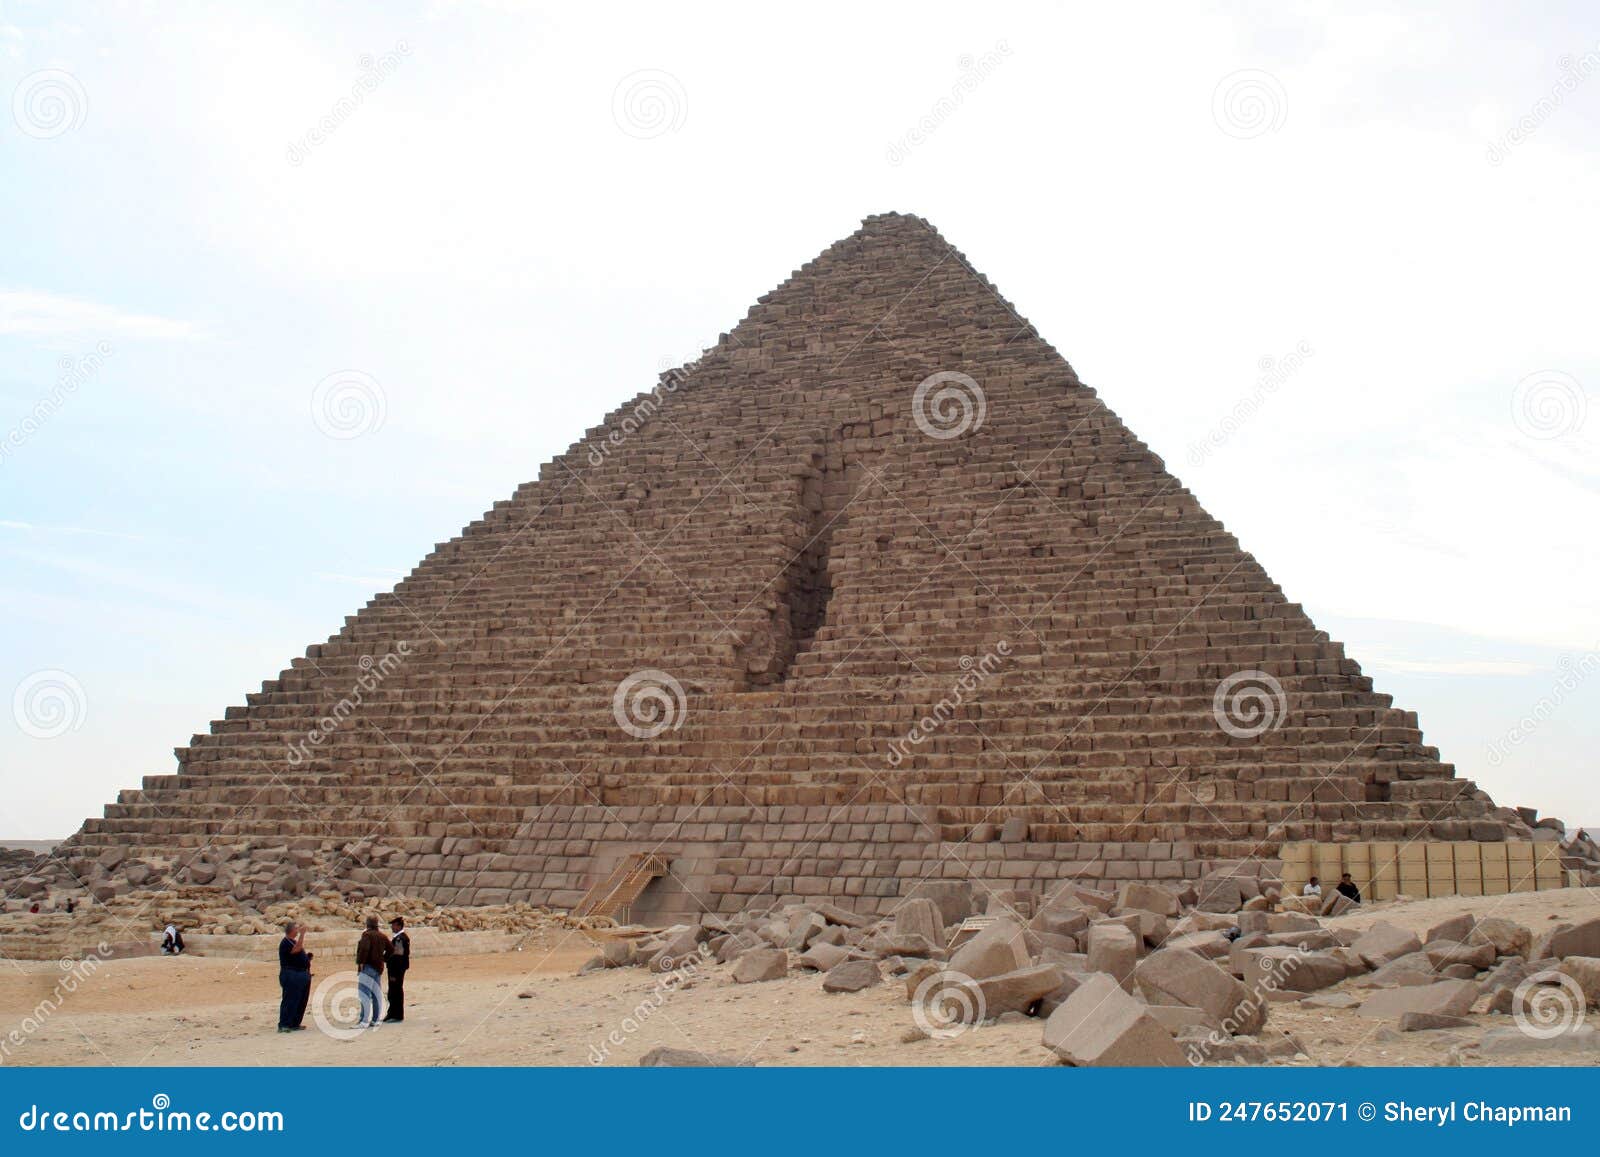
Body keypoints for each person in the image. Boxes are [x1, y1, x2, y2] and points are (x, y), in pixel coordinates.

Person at [355, 915, 390, 1029]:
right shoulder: (382, 936)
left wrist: (361, 962)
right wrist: (382, 959)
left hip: (368, 967)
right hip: (378, 968)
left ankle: (364, 1020)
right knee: (376, 994)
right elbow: (391, 949)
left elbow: (364, 949)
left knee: (364, 994)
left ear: (367, 924)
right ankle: (375, 1019)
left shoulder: (367, 935)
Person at [277, 922, 312, 1032]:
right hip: (291, 974)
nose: (298, 930)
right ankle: (284, 1024)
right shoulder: (286, 942)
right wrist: (302, 934)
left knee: (300, 1000)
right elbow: (296, 950)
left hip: (301, 974)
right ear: (292, 930)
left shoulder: (293, 942)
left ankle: (294, 1023)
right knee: (290, 999)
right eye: (297, 929)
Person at [382, 916, 410, 1023]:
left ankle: (396, 1014)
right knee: (393, 991)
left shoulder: (400, 938)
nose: (392, 927)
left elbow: (397, 956)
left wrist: (393, 972)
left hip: (396, 969)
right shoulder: (399, 937)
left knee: (395, 991)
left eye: (393, 925)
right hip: (396, 968)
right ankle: (392, 1013)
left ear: (398, 925)